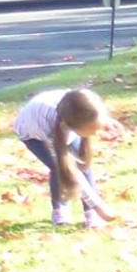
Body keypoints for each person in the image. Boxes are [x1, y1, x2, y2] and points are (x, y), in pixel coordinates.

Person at [14, 86, 120, 227]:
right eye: (93, 129)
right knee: (59, 167)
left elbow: (95, 110)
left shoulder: (82, 103)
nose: (96, 133)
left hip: (59, 116)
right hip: (32, 133)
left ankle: (90, 214)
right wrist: (100, 207)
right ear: (75, 128)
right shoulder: (51, 128)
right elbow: (71, 172)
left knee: (83, 164)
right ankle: (60, 209)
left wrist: (107, 121)